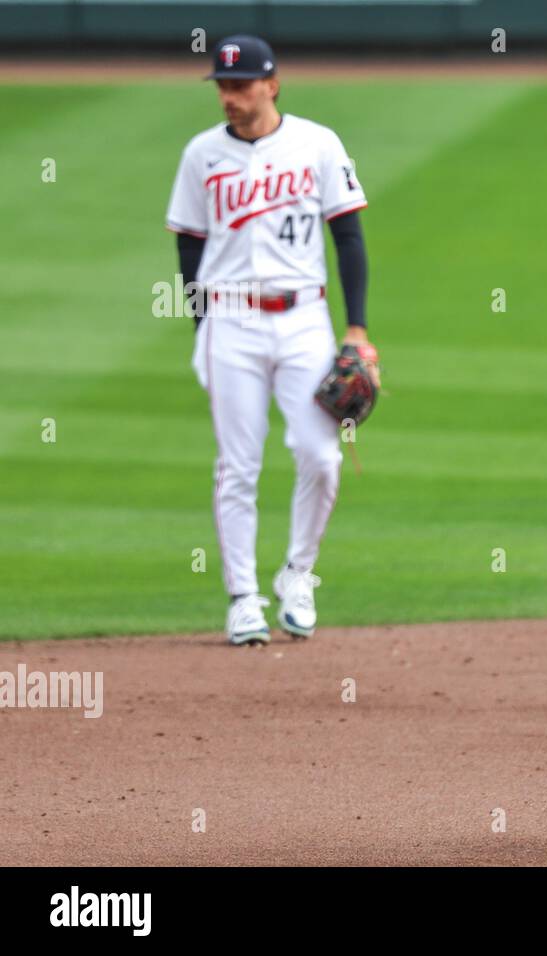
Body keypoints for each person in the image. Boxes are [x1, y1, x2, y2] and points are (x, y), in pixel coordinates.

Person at [165, 34, 377, 645]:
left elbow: (349, 238)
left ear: (272, 83)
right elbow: (188, 242)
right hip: (229, 322)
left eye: (241, 85)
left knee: (321, 455)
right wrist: (201, 323)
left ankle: (298, 574)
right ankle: (241, 597)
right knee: (239, 464)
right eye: (223, 86)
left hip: (304, 320)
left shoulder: (317, 143)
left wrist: (357, 328)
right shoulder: (201, 155)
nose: (230, 96)